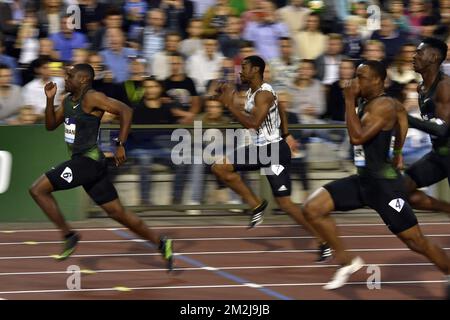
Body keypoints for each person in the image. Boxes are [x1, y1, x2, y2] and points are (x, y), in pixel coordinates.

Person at [302, 60, 450, 296]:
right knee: (312, 209)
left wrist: (348, 100)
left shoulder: (382, 106)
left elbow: (357, 137)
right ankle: (347, 261)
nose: (355, 82)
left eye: (361, 77)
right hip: (362, 181)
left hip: (385, 187)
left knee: (416, 242)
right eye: (356, 76)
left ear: (378, 81)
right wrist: (398, 152)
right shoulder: (371, 102)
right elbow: (402, 119)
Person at [28, 64, 173, 271]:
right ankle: (161, 242)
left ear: (84, 79)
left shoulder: (92, 97)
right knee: (117, 212)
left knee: (38, 189)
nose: (65, 79)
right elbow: (50, 125)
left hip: (89, 161)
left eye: (70, 76)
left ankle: (69, 235)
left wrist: (120, 145)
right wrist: (49, 99)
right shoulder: (68, 101)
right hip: (85, 163)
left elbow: (126, 110)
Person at [212, 55, 332, 262]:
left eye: (245, 68)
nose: (241, 71)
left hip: (273, 151)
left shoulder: (263, 94)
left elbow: (254, 124)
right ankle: (256, 205)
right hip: (264, 148)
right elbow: (281, 110)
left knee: (286, 205)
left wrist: (230, 107)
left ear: (256, 70)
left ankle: (323, 241)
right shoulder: (255, 92)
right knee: (220, 167)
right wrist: (287, 134)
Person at [403, 38, 450, 215]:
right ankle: (447, 209)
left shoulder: (445, 86)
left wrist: (405, 118)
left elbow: (442, 129)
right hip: (439, 155)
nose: (413, 56)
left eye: (419, 52)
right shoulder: (421, 88)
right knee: (402, 188)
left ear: (434, 57)